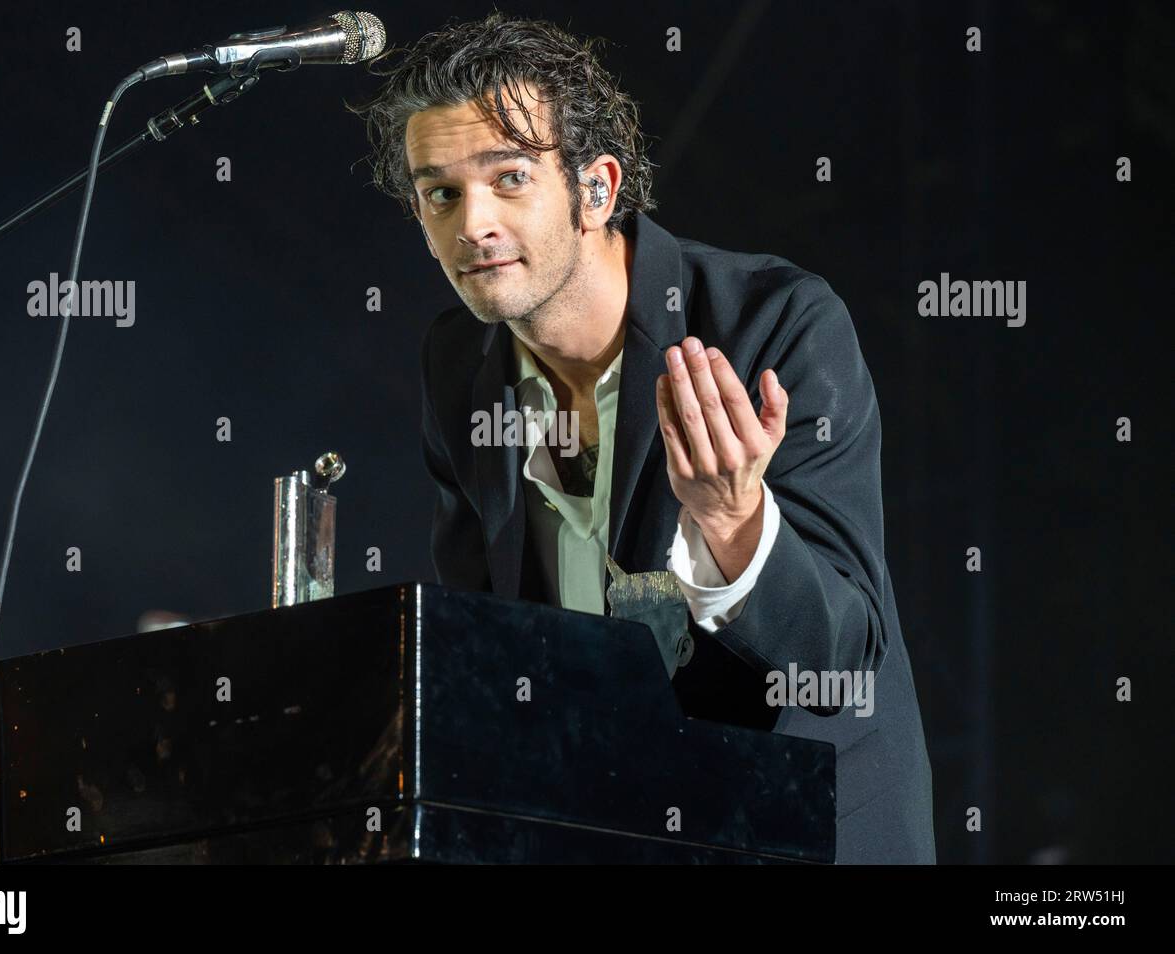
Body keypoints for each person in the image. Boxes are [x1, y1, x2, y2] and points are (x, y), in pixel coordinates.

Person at [350, 12, 935, 864]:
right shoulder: (456, 362)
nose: (470, 221)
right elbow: (488, 638)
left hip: (804, 830)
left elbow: (840, 651)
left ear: (597, 188)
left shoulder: (773, 322)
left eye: (508, 177)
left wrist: (737, 525)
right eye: (440, 192)